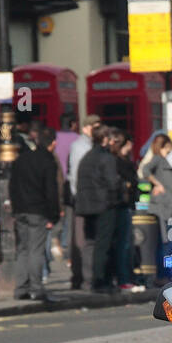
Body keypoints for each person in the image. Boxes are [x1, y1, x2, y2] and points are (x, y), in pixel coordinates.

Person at [10, 124, 61, 301]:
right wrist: (53, 215)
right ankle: (36, 287)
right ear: (53, 143)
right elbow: (51, 191)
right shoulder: (48, 161)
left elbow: (12, 186)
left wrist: (15, 209)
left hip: (21, 210)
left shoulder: (21, 159)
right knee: (36, 250)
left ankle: (20, 288)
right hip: (38, 210)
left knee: (23, 249)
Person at [75, 123, 123, 293]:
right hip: (104, 205)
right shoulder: (107, 158)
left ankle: (89, 279)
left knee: (90, 244)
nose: (112, 142)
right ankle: (101, 280)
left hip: (86, 206)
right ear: (104, 140)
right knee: (105, 244)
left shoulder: (87, 157)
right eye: (110, 139)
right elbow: (112, 183)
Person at [65, 113, 100, 290]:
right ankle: (80, 277)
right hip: (82, 200)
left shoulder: (91, 144)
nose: (98, 129)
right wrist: (80, 198)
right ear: (86, 127)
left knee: (87, 239)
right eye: (95, 126)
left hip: (90, 199)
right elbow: (76, 176)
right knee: (81, 241)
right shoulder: (80, 146)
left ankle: (84, 276)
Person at [139, 133, 172, 283]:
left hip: (170, 207)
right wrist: (158, 184)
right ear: (164, 146)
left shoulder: (163, 160)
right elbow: (145, 170)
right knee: (167, 242)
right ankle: (163, 275)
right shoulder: (158, 159)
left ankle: (166, 274)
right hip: (163, 208)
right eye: (169, 147)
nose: (170, 150)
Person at [112, 132, 144, 292]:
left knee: (128, 244)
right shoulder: (118, 162)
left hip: (129, 204)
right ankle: (124, 278)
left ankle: (128, 277)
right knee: (124, 244)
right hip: (122, 206)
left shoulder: (126, 160)